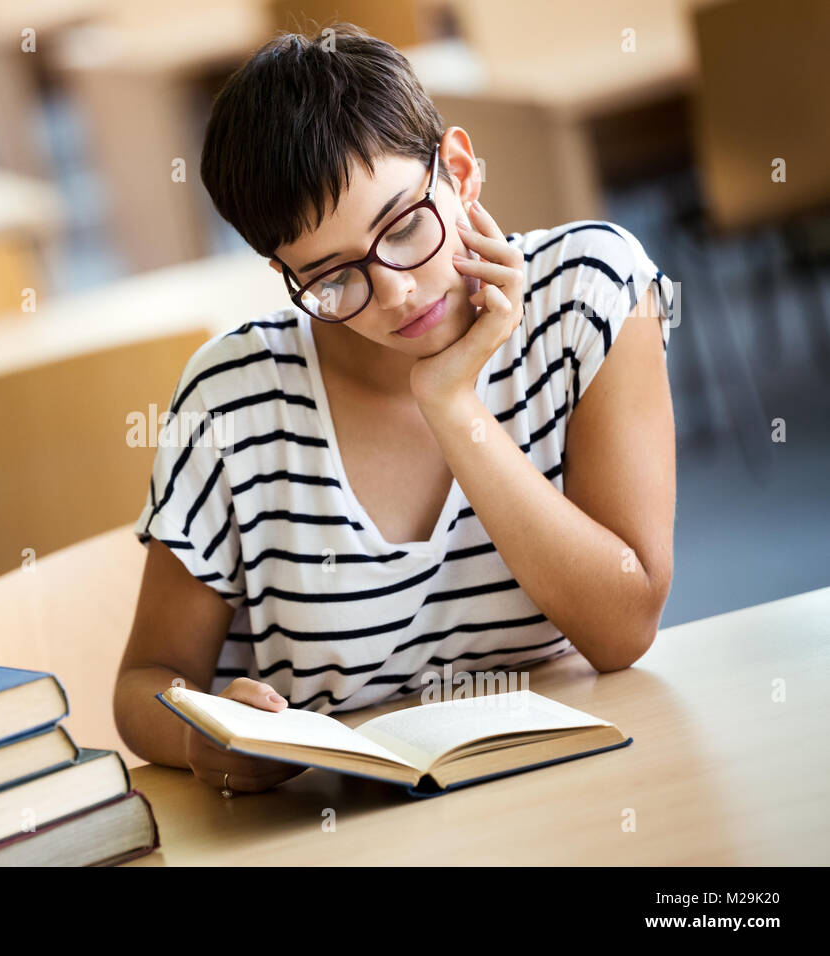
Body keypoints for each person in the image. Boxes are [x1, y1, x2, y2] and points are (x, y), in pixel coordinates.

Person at [114, 22, 676, 795]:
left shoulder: (591, 293)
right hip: (334, 823)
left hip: (574, 784)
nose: (395, 292)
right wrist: (201, 734)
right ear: (284, 272)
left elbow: (625, 629)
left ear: (459, 168)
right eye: (332, 276)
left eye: (404, 227)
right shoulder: (232, 400)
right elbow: (146, 680)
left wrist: (454, 407)